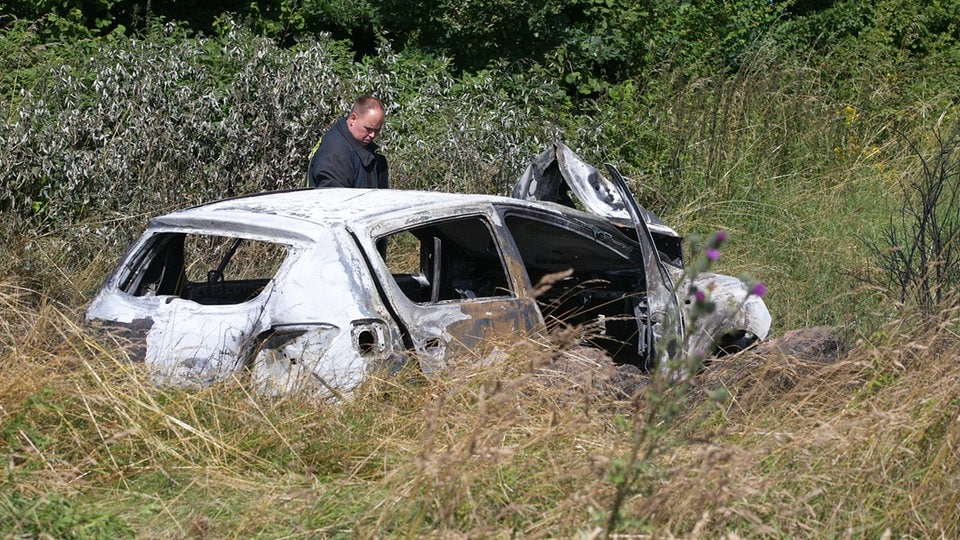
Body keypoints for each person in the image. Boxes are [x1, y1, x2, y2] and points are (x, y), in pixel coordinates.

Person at [306, 95, 389, 189]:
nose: (372, 135)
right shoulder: (335, 151)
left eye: (377, 130)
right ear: (353, 119)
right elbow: (333, 198)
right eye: (368, 129)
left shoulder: (364, 148)